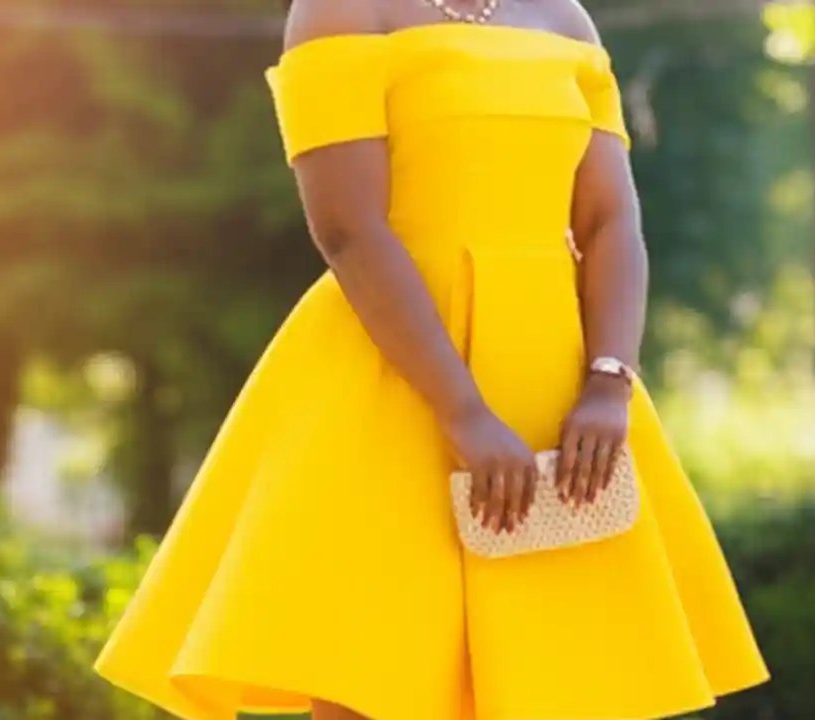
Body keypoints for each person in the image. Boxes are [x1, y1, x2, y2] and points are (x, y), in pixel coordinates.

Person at [94, 0, 769, 718]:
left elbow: (610, 219)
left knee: (559, 680)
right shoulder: (338, 11)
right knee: (378, 676)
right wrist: (464, 410)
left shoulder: (565, 19)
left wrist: (609, 383)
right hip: (395, 384)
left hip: (555, 390)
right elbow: (348, 230)